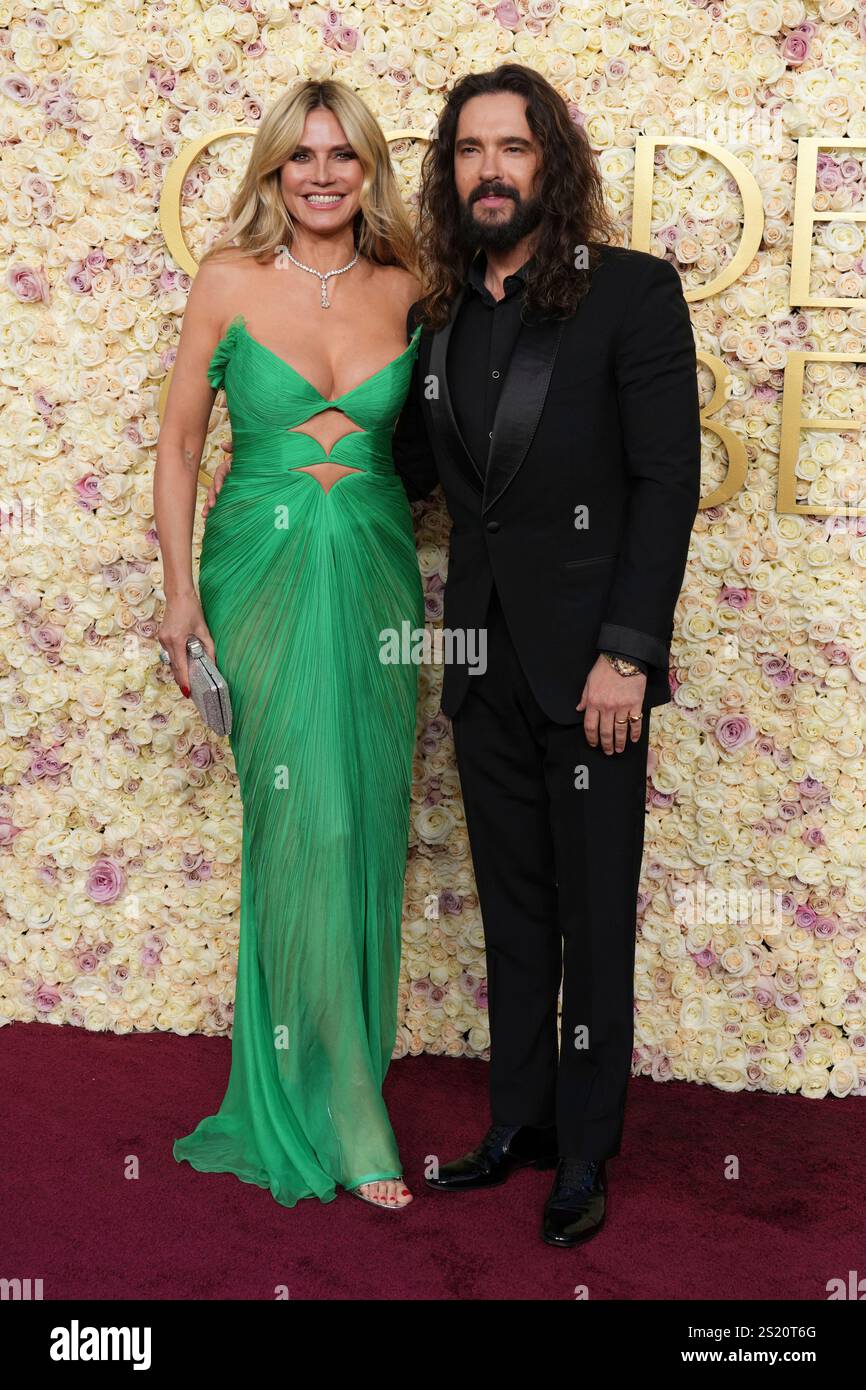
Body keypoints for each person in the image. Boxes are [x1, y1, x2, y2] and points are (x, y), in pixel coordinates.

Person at [390, 64, 703, 1246]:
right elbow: (418, 478)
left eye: (510, 148)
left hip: (591, 677)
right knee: (513, 909)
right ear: (449, 170)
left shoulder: (627, 293)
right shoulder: (439, 314)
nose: (488, 170)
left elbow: (662, 483)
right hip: (480, 663)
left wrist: (626, 652)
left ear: (548, 161)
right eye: (468, 151)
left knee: (590, 914)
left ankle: (583, 1148)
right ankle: (514, 1120)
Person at [154, 79, 425, 1211]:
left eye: (343, 156)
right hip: (255, 575)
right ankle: (341, 1107)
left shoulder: (413, 288)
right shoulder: (225, 279)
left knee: (360, 819)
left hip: (374, 578)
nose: (321, 174)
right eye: (301, 156)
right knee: (300, 815)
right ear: (273, 169)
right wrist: (178, 599)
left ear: (368, 170)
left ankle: (335, 1068)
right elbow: (177, 447)